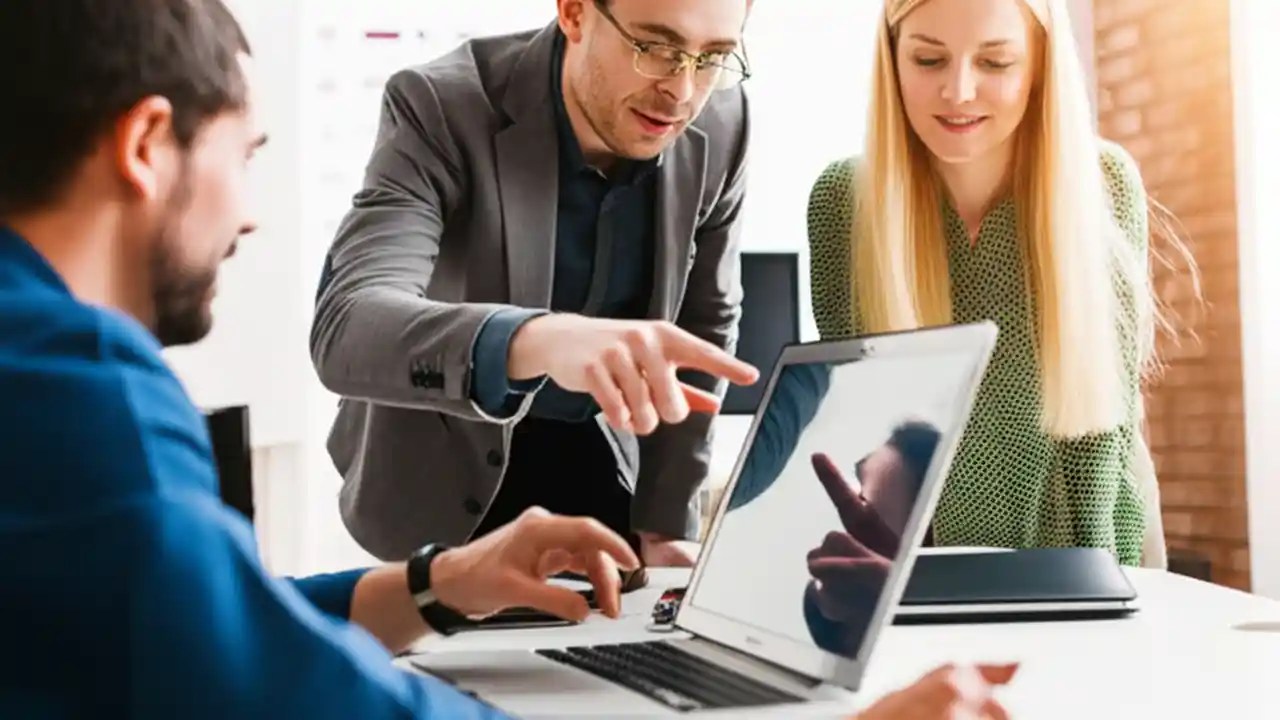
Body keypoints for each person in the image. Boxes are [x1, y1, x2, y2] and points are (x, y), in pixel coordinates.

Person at [309, 0, 761, 569]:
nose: (683, 92)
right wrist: (538, 339)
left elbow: (704, 322)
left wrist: (666, 520)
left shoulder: (723, 118)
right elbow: (347, 326)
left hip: (605, 462)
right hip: (444, 477)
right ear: (573, 12)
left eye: (714, 57)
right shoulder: (440, 106)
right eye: (656, 49)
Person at [806, 0, 1195, 567]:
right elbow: (862, 432)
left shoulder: (1102, 182)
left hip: (1085, 547)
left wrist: (1097, 588)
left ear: (1039, 64)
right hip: (915, 566)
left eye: (995, 62)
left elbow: (1099, 440)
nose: (959, 91)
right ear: (892, 60)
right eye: (929, 59)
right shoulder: (842, 202)